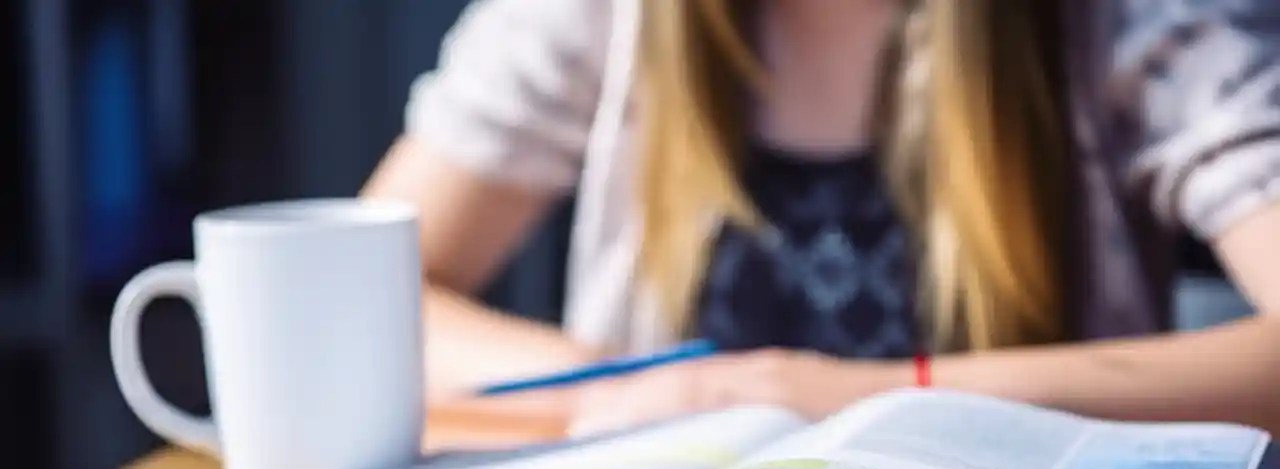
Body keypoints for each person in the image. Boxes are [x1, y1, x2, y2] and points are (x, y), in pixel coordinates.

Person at [363, 0, 1280, 434]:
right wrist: (619, 389)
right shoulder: (597, 16)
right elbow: (371, 300)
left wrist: (842, 394)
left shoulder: (1134, 20)